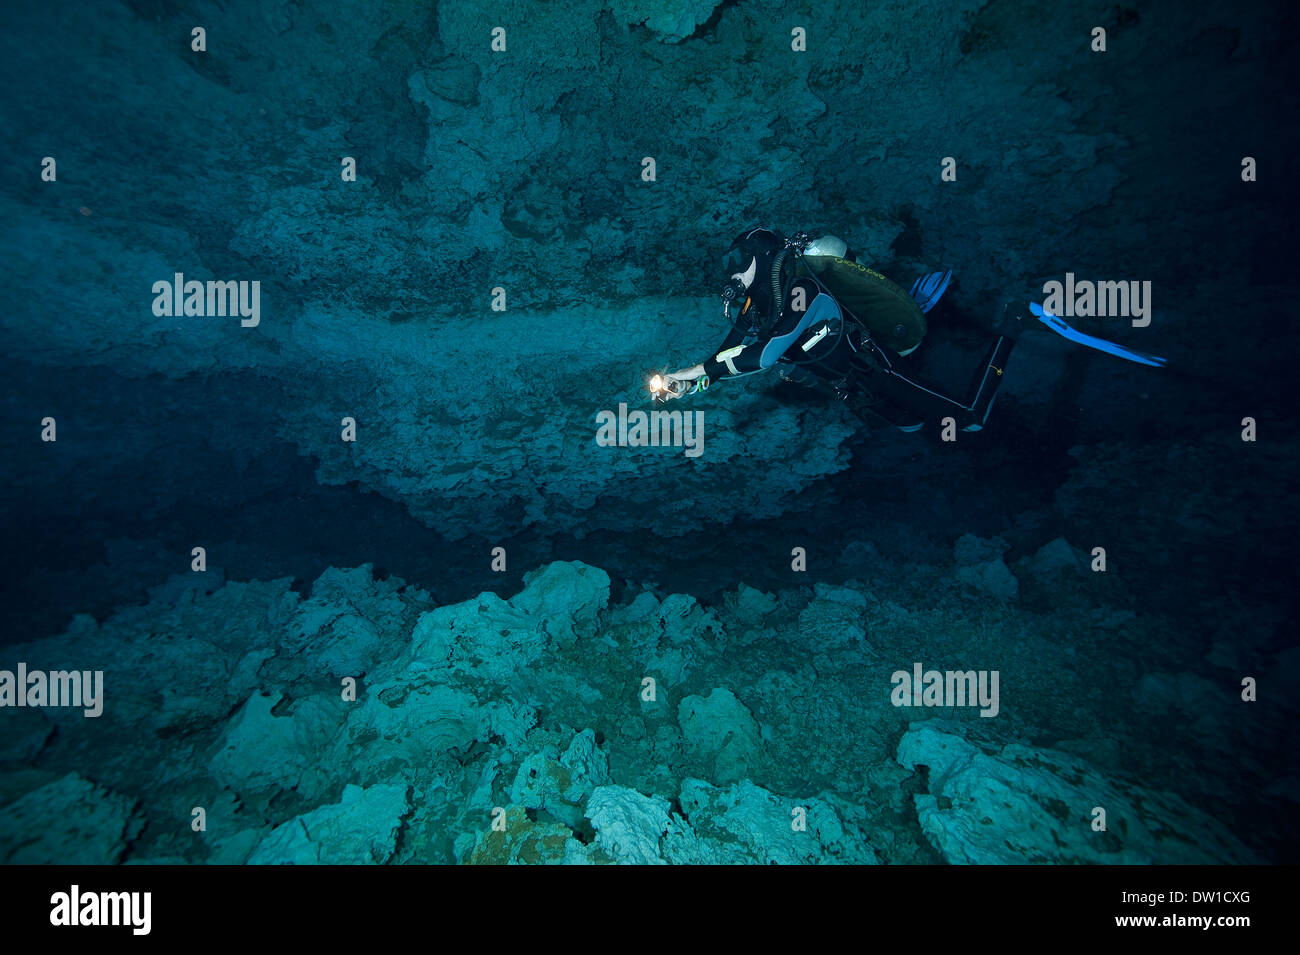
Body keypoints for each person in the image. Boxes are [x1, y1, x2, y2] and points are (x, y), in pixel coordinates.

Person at [656, 228, 1021, 433]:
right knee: (911, 427)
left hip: (881, 371)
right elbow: (721, 358)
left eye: (736, 261)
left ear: (762, 255)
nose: (730, 272)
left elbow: (762, 356)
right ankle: (925, 309)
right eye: (726, 264)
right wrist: (688, 386)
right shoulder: (756, 309)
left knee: (970, 421)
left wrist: (693, 373)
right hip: (853, 391)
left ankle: (1013, 327)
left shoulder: (802, 290)